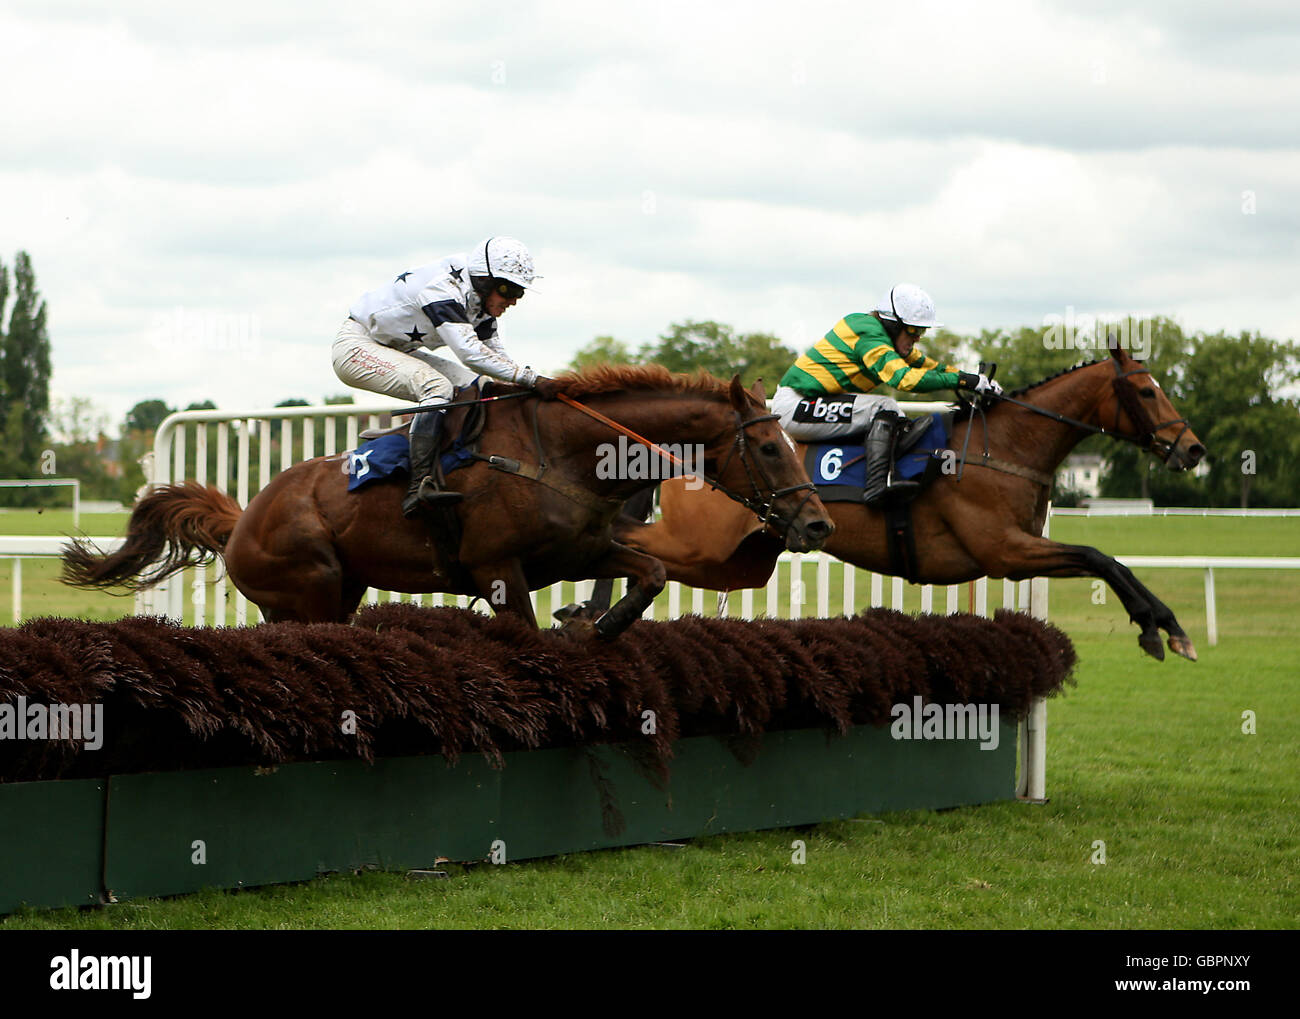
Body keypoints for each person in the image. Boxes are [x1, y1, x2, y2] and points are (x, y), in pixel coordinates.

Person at [332, 236, 562, 516]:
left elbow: (494, 359)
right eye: (508, 289)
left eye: (519, 292)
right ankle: (420, 485)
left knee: (478, 386)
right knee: (436, 387)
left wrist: (526, 382)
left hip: (395, 349)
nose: (513, 300)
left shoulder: (478, 301)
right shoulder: (443, 288)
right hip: (356, 347)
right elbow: (469, 352)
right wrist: (532, 379)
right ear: (485, 281)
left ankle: (459, 465)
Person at [772, 283, 1001, 505]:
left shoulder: (885, 340)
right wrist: (964, 381)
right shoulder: (868, 333)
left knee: (892, 413)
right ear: (893, 324)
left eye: (922, 331)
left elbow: (930, 367)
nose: (918, 337)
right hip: (796, 406)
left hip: (817, 402)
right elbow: (903, 379)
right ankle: (877, 487)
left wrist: (976, 380)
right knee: (884, 406)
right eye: (914, 330)